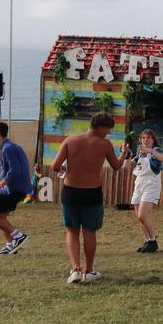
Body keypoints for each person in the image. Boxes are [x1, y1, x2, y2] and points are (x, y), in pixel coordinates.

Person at [50, 112, 123, 285]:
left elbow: (54, 166)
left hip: (70, 191)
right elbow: (116, 166)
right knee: (89, 232)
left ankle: (75, 269)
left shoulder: (70, 140)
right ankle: (88, 270)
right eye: (108, 129)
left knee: (72, 231)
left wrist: (66, 171)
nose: (108, 133)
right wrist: (124, 154)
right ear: (101, 127)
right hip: (92, 192)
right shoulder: (104, 144)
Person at [0, 122, 32, 255]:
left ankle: (19, 236)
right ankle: (11, 245)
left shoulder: (8, 148)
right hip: (17, 188)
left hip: (13, 189)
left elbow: (15, 170)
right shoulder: (8, 147)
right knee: (1, 216)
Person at [121, 128, 163, 253]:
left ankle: (153, 240)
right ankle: (147, 240)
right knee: (139, 217)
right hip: (139, 183)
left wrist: (151, 151)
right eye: (143, 138)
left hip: (151, 184)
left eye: (148, 138)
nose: (145, 140)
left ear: (153, 140)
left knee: (143, 215)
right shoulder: (139, 154)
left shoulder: (156, 150)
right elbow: (126, 167)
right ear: (140, 140)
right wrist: (126, 154)